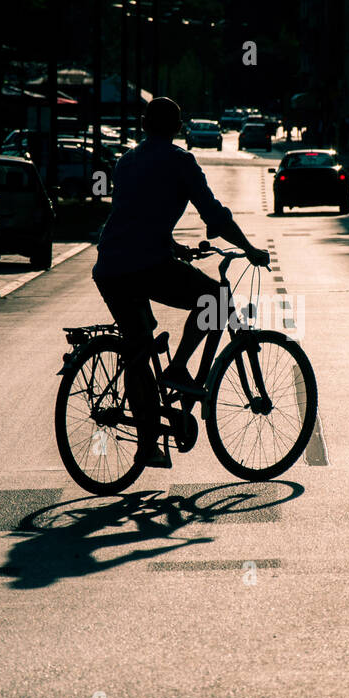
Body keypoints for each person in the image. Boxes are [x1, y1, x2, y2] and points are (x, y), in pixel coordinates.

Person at [92, 96, 270, 468]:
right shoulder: (180, 163)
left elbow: (132, 216)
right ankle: (178, 368)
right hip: (146, 265)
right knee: (218, 299)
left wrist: (173, 245)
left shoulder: (126, 162)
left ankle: (147, 445)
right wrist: (250, 248)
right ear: (178, 128)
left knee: (137, 349)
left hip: (110, 267)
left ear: (143, 125)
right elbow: (215, 217)